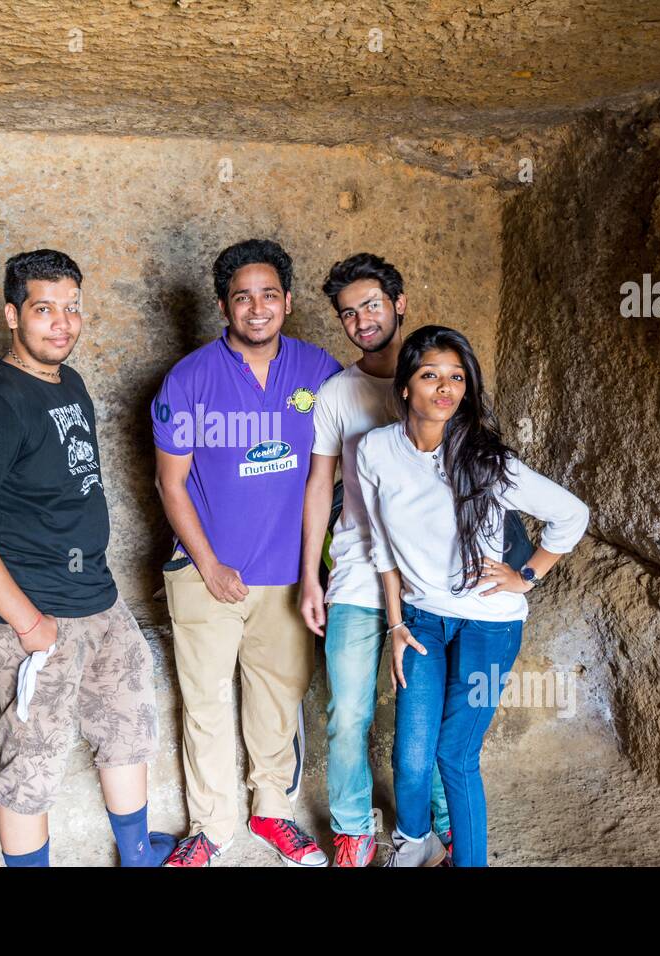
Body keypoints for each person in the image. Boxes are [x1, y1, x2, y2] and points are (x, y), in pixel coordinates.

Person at [0, 249, 174, 867]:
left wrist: (102, 594)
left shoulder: (68, 381)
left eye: (72, 309)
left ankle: (138, 852)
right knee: (35, 756)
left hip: (96, 599)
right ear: (13, 315)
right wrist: (28, 624)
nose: (62, 323)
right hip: (33, 613)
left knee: (128, 724)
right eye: (45, 310)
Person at [356, 325, 589, 867]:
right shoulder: (375, 450)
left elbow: (572, 514)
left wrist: (525, 575)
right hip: (420, 621)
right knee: (412, 755)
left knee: (454, 754)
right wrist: (395, 626)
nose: (445, 387)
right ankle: (416, 846)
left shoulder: (488, 462)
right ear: (406, 386)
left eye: (456, 377)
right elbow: (382, 548)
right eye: (430, 375)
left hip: (490, 627)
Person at [152, 239, 342, 866]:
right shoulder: (189, 379)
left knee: (278, 699)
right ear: (222, 306)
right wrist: (208, 565)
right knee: (204, 702)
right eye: (242, 297)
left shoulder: (319, 372)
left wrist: (315, 569)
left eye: (268, 295)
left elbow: (336, 468)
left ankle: (274, 815)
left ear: (287, 301)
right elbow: (169, 482)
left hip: (286, 575)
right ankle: (210, 828)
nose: (256, 308)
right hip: (207, 575)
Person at [298, 253, 454, 867]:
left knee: (432, 716)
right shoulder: (336, 394)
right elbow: (318, 487)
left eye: (371, 305)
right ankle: (354, 831)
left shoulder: (441, 378)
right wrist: (313, 574)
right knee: (349, 712)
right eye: (348, 313)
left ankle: (439, 827)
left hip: (434, 580)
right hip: (361, 572)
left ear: (400, 304)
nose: (361, 320)